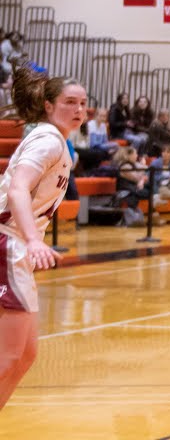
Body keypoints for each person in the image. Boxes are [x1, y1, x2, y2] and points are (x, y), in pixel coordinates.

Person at [0, 64, 85, 406]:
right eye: (69, 102)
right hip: (9, 238)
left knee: (25, 356)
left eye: (83, 103)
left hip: (16, 242)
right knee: (9, 357)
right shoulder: (47, 139)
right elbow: (19, 188)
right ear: (49, 105)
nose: (78, 110)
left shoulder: (57, 142)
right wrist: (34, 239)